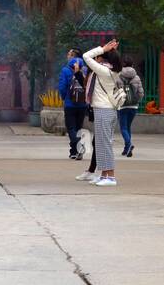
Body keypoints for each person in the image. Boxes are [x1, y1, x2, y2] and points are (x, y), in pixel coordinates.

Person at [76, 40, 124, 187]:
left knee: (105, 144)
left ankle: (111, 177)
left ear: (104, 58)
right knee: (102, 144)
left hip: (104, 110)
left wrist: (102, 48)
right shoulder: (112, 71)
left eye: (102, 55)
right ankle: (104, 175)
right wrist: (106, 50)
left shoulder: (104, 71)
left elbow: (86, 56)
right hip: (106, 110)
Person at [57, 48, 89, 160]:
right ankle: (74, 152)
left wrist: (64, 97)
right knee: (78, 127)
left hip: (70, 104)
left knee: (71, 128)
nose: (67, 56)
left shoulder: (65, 70)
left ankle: (78, 144)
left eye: (69, 54)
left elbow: (62, 86)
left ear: (73, 56)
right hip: (83, 104)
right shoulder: (85, 69)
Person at [117, 56, 144, 157]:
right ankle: (126, 149)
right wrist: (136, 101)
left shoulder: (118, 76)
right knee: (128, 127)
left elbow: (115, 90)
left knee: (123, 128)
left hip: (122, 105)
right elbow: (141, 92)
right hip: (133, 106)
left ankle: (128, 145)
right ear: (132, 65)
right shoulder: (136, 77)